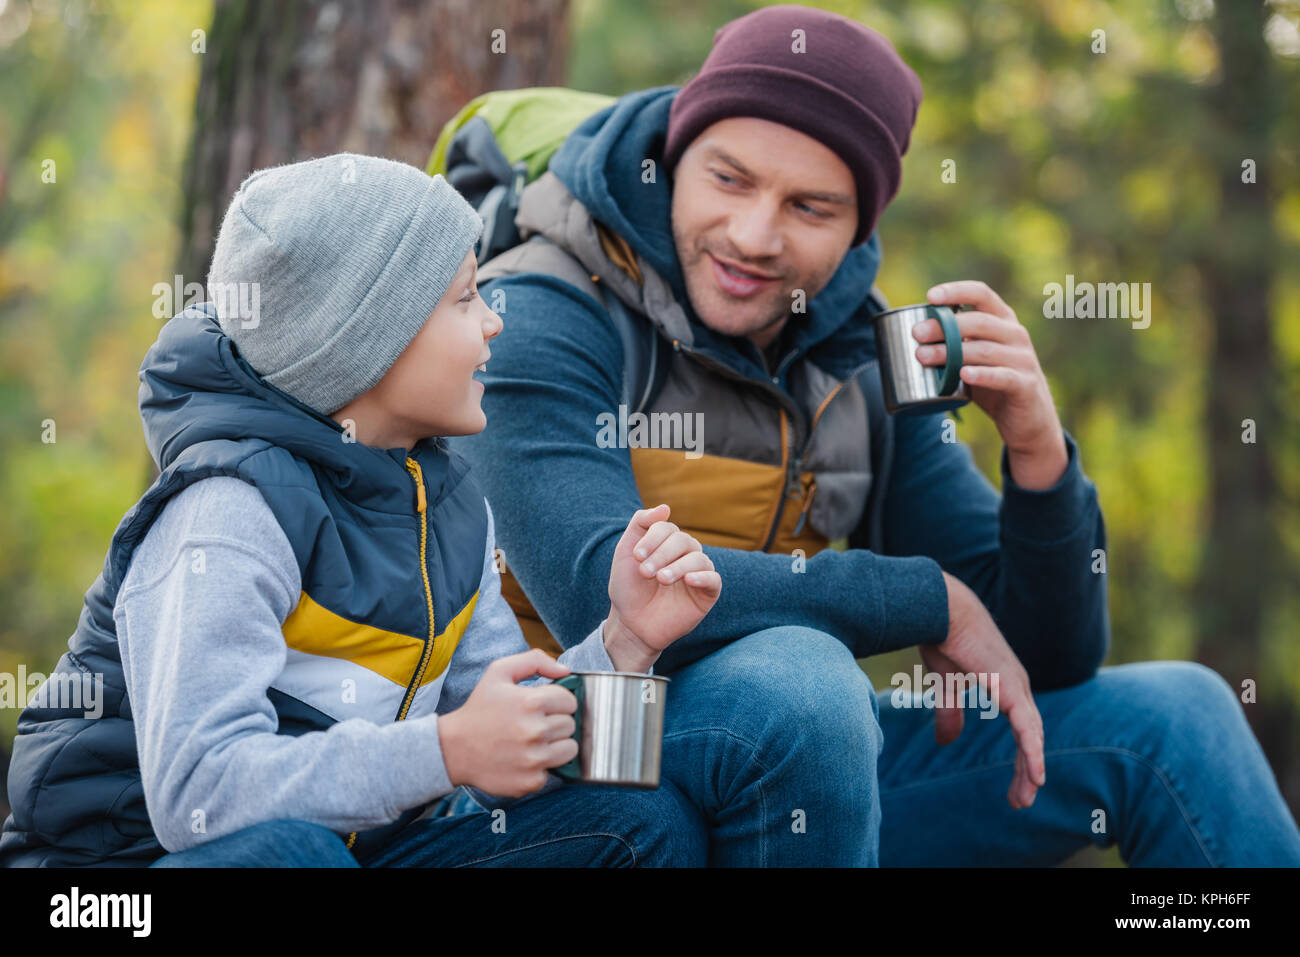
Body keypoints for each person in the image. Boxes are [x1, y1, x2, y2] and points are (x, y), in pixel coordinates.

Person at [446, 4, 1300, 865]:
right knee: (803, 680)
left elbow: (1043, 657)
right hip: (566, 769)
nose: (753, 235)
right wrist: (925, 596)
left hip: (802, 774)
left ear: (860, 227)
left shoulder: (860, 351)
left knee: (1175, 716)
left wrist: (1039, 456)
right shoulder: (538, 312)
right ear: (671, 159)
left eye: (810, 206)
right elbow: (604, 591)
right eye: (730, 180)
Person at [0, 153, 723, 867]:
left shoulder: (450, 505)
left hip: (354, 853)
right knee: (293, 855)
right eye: (466, 298)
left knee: (642, 822)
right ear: (369, 342)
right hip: (117, 882)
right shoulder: (227, 513)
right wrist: (444, 751)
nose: (493, 323)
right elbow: (200, 794)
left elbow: (507, 730)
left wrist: (627, 640)